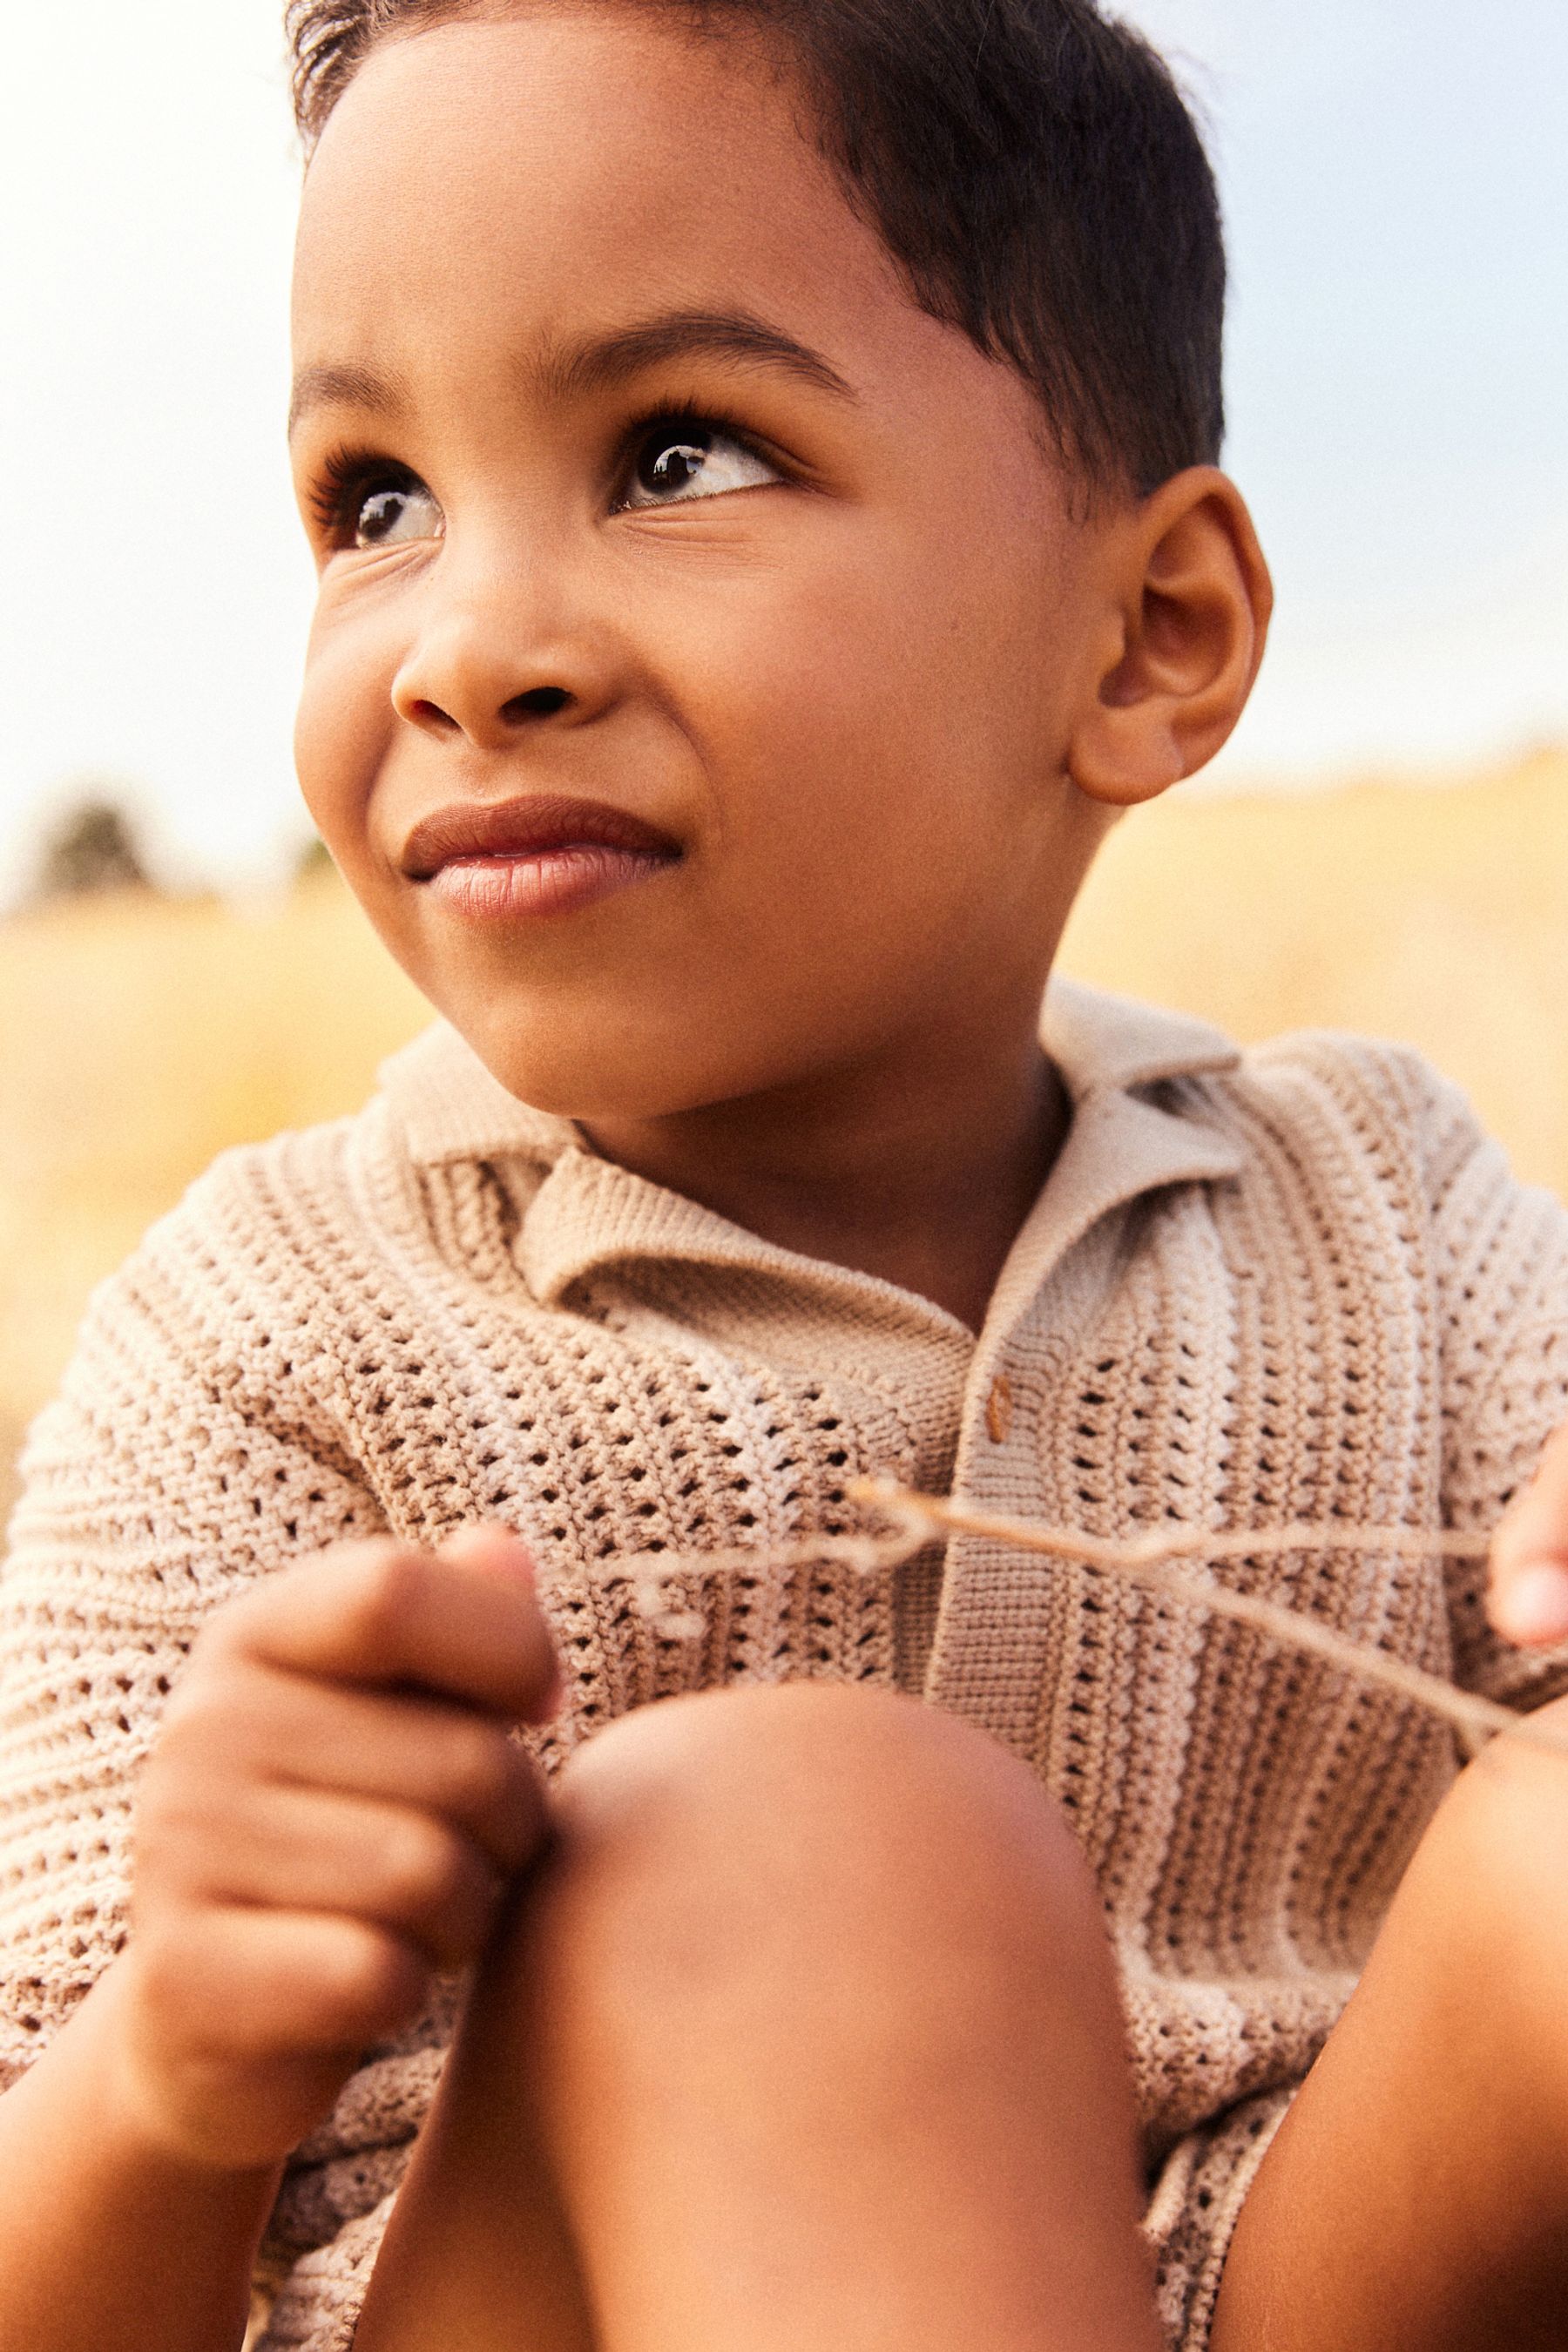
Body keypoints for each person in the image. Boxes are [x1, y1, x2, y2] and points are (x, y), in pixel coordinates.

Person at [3, 3, 1568, 2347]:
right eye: (374, 502)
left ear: (1151, 636)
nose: (466, 648)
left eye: (674, 451)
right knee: (806, 1848)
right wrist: (173, 2067)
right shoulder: (261, 1339)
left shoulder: (1391, 1205)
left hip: (1311, 2268)